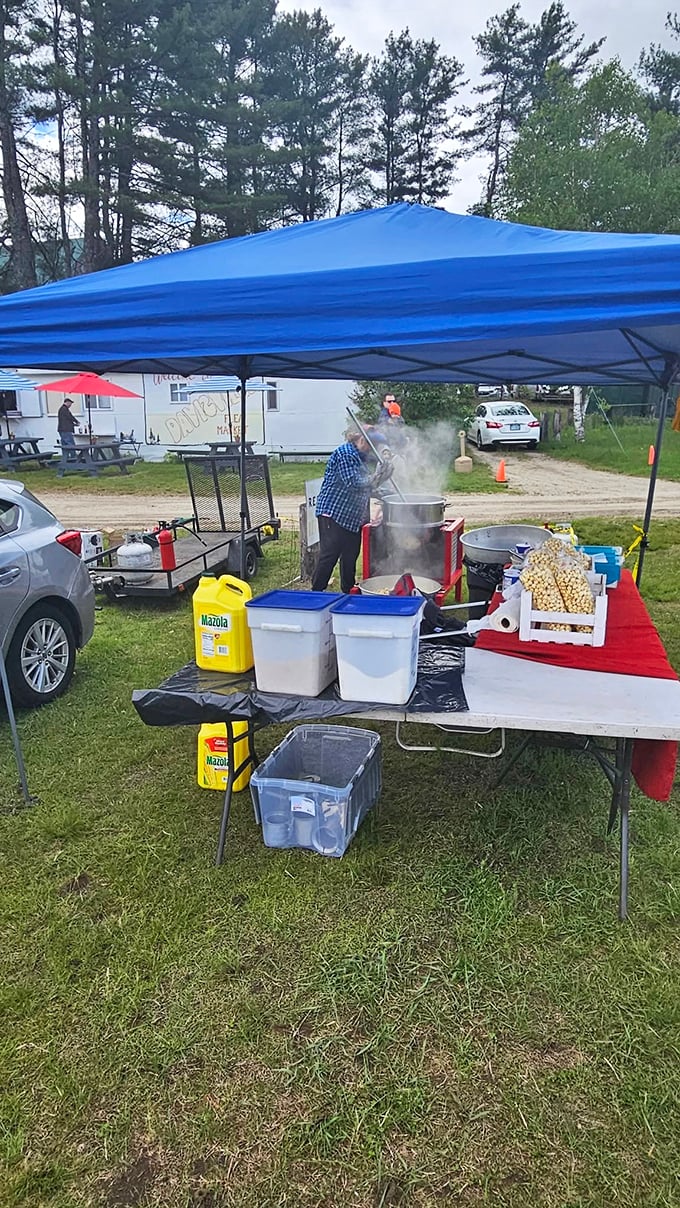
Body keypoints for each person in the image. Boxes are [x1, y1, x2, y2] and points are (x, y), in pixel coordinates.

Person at [311, 430, 378, 594]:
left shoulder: (360, 457)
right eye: (371, 446)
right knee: (329, 555)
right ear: (362, 441)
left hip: (351, 518)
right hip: (333, 513)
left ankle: (348, 592)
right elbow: (354, 483)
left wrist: (382, 486)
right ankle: (316, 592)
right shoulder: (346, 454)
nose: (372, 451)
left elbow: (367, 486)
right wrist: (376, 476)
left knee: (350, 555)